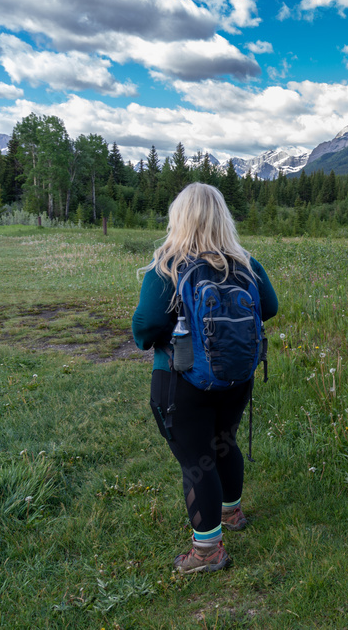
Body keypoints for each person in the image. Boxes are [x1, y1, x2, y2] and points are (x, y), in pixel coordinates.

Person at [132, 182, 278, 574]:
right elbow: (271, 306)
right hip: (236, 376)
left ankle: (208, 552)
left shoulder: (169, 265)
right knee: (224, 442)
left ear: (179, 218)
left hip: (181, 379)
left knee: (197, 461)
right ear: (222, 217)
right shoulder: (245, 262)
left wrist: (154, 338)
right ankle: (231, 514)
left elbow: (145, 325)